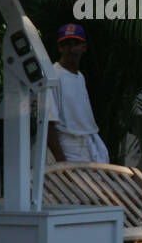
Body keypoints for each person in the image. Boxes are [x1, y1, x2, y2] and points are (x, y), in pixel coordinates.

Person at [45, 23, 109, 163]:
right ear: (60, 48)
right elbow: (48, 124)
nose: (71, 49)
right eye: (66, 44)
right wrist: (62, 161)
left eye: (75, 44)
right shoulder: (52, 76)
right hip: (68, 147)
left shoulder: (80, 76)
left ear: (83, 47)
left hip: (89, 144)